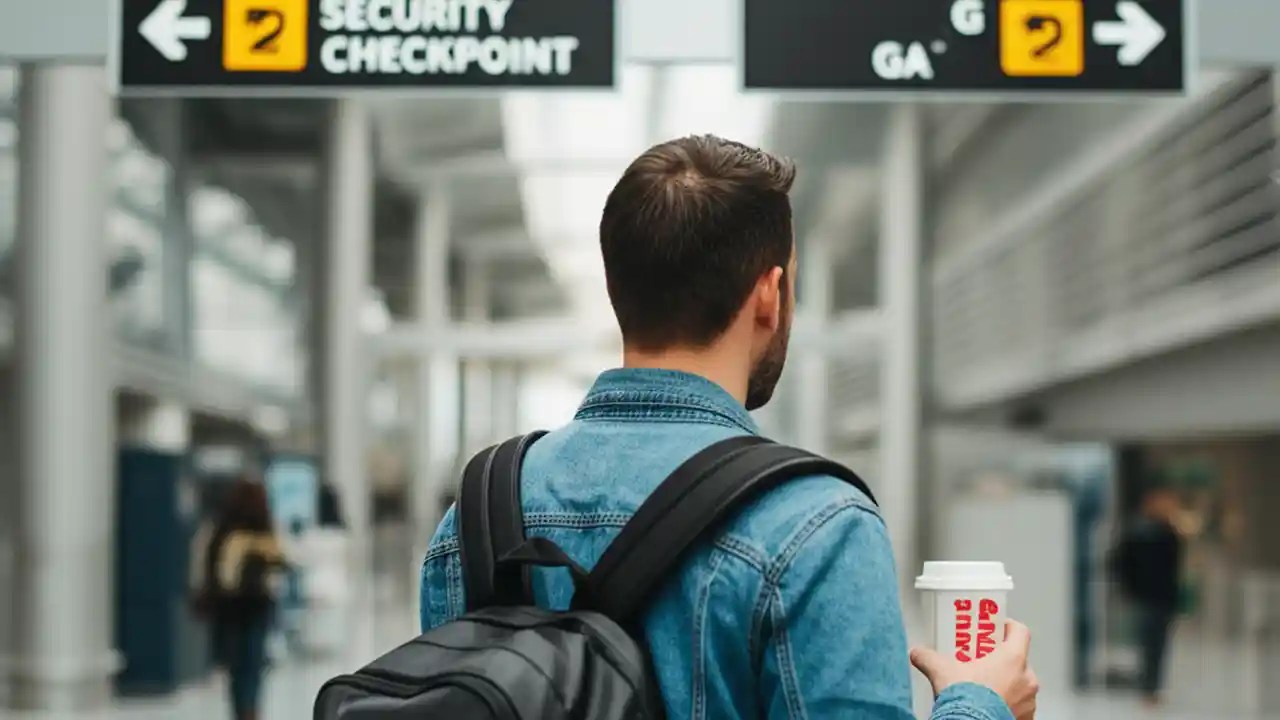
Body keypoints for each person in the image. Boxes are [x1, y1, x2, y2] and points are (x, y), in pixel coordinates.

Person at [419, 135, 1039, 720]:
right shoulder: (815, 526)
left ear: (616, 287)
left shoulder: (479, 514)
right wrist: (981, 703)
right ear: (770, 294)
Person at [193, 479, 287, 720]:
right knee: (253, 665)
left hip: (228, 608)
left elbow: (203, 563)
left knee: (235, 667)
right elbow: (281, 566)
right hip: (258, 606)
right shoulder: (265, 531)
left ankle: (240, 711)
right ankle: (250, 711)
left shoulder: (220, 529)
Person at [1113, 483, 1184, 707]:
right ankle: (1147, 687)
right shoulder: (1138, 533)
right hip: (1145, 597)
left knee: (1158, 644)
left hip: (1163, 597)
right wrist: (1130, 589)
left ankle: (1152, 687)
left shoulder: (1169, 533)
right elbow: (1121, 563)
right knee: (1148, 644)